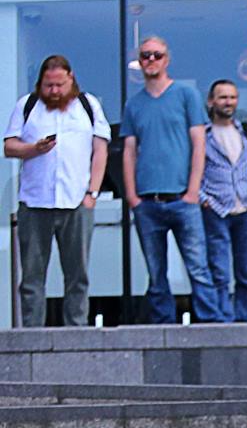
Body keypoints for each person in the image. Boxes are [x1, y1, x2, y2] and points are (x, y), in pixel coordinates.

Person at [121, 36, 222, 325]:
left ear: (167, 59)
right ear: (139, 62)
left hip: (182, 199)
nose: (151, 60)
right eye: (145, 56)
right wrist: (132, 196)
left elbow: (199, 144)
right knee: (156, 273)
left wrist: (192, 191)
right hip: (147, 201)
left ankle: (212, 326)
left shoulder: (185, 95)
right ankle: (161, 329)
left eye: (157, 55)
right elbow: (129, 151)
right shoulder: (134, 104)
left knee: (199, 268)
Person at [3, 54, 107, 328]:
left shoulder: (88, 105)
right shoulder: (27, 105)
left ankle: (76, 332)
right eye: (49, 85)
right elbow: (9, 146)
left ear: (70, 79)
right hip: (35, 204)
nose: (54, 91)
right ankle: (31, 336)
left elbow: (100, 151)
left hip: (76, 202)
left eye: (59, 85)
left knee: (78, 275)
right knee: (32, 278)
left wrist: (92, 194)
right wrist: (32, 149)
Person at [198, 80, 247, 325]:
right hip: (216, 210)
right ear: (211, 101)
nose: (228, 102)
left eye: (232, 97)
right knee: (219, 271)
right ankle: (223, 321)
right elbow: (193, 171)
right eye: (222, 97)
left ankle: (244, 319)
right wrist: (204, 200)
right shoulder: (203, 135)